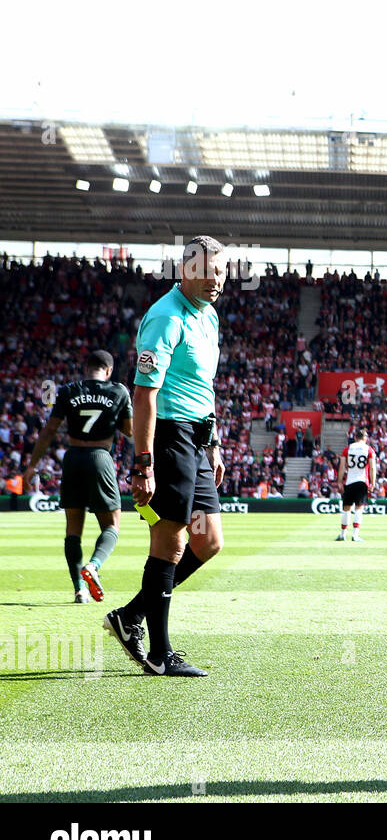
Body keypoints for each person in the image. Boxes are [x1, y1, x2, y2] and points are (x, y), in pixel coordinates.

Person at [104, 236, 229, 677]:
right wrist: (143, 462)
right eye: (208, 271)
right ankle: (160, 654)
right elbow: (144, 393)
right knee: (172, 540)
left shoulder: (209, 316)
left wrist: (213, 442)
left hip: (197, 438)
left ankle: (130, 616)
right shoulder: (165, 316)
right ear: (186, 270)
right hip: (169, 437)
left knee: (208, 540)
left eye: (222, 270)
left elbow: (205, 387)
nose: (217, 279)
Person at [23, 350, 132, 603]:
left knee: (73, 529)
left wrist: (32, 466)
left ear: (87, 369)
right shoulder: (118, 391)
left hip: (72, 459)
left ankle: (79, 589)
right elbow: (128, 431)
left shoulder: (68, 391)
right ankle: (94, 565)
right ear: (108, 370)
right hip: (100, 458)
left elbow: (50, 429)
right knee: (112, 525)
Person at [337, 427, 376, 542]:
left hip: (350, 481)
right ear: (365, 438)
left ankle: (343, 535)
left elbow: (342, 466)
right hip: (362, 481)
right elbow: (372, 468)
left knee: (346, 508)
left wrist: (339, 481)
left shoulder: (347, 449)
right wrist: (373, 483)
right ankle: (355, 535)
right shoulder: (369, 450)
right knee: (359, 508)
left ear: (355, 437)